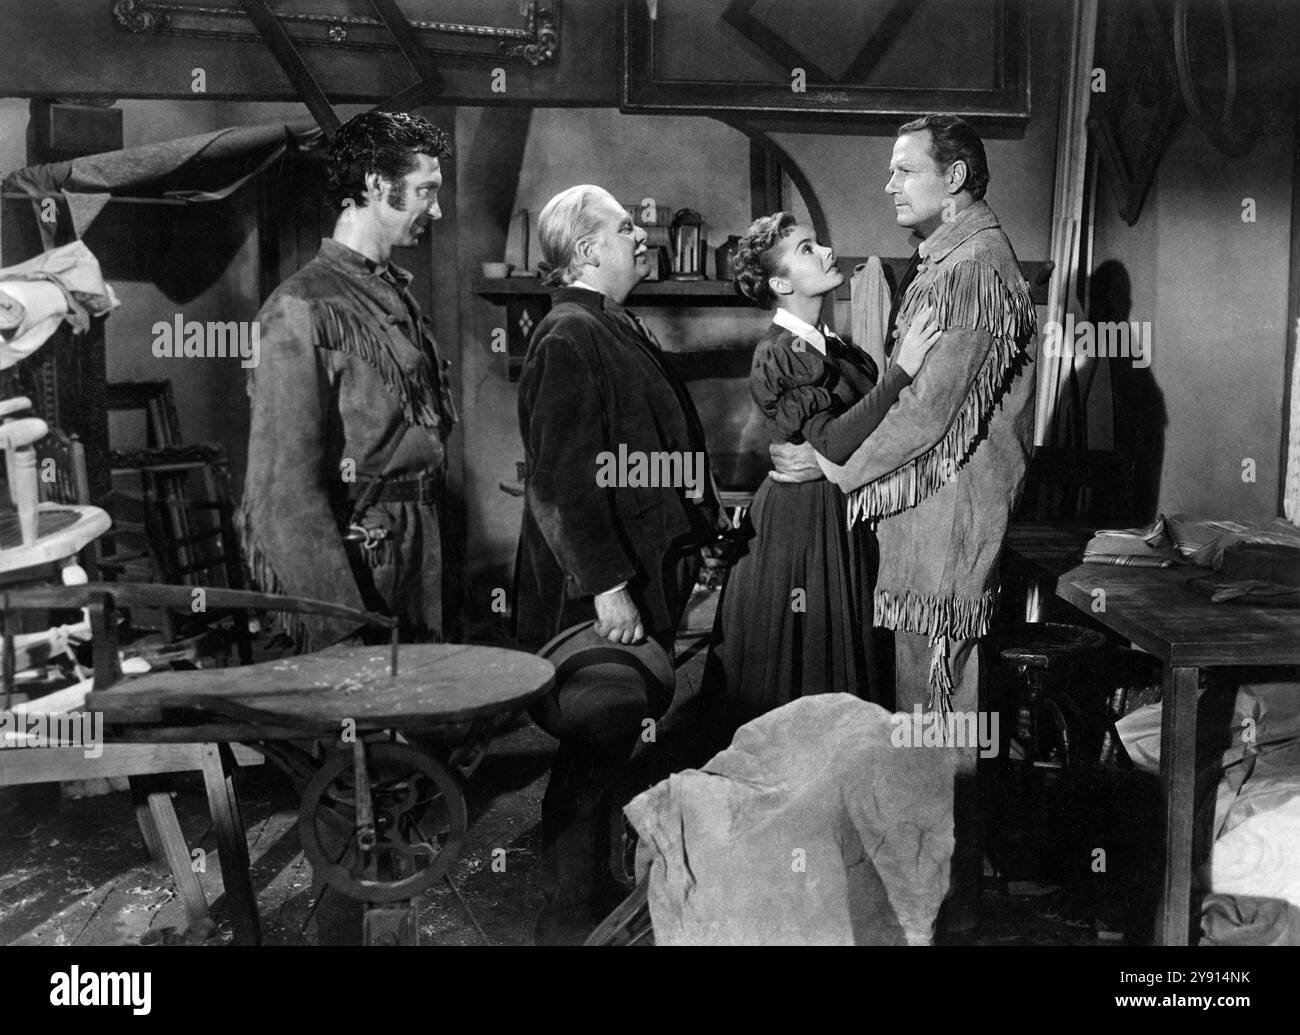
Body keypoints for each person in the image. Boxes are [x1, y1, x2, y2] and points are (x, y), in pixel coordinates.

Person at [772, 114, 1038, 933]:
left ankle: (941, 911)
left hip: (946, 529)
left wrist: (832, 461)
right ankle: (933, 896)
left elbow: (928, 412)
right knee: (927, 719)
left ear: (953, 178)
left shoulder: (971, 272)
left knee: (937, 724)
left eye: (903, 170)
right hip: (928, 522)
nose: (888, 185)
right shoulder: (954, 260)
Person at [512, 184, 725, 942]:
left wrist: (695, 530)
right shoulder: (569, 334)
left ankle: (595, 891)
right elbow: (561, 482)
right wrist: (606, 586)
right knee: (597, 737)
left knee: (613, 739)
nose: (644, 237)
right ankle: (566, 918)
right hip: (595, 591)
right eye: (627, 227)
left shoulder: (611, 325)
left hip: (641, 571)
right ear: (587, 248)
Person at [703, 213, 939, 732]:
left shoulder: (830, 345)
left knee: (841, 656)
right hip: (799, 524)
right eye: (807, 249)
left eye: (817, 243)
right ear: (781, 284)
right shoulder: (779, 354)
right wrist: (905, 370)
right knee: (805, 665)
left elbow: (856, 439)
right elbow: (833, 440)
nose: (827, 251)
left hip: (835, 507)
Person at [239, 110, 457, 651]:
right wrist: (341, 629)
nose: (438, 209)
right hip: (366, 561)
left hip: (418, 546)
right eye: (426, 191)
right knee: (370, 728)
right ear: (378, 186)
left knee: (435, 718)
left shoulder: (388, 293)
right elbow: (279, 496)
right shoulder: (301, 306)